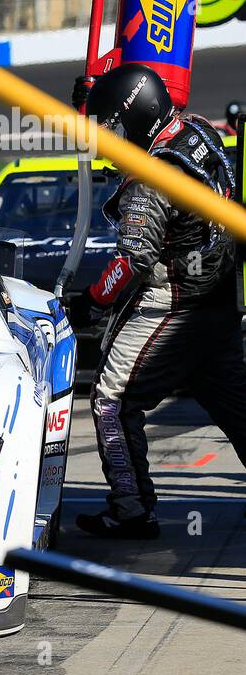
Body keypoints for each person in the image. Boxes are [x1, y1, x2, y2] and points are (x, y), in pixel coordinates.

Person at [70, 63, 246, 538]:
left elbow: (134, 258)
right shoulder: (200, 131)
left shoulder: (150, 181)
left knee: (109, 400)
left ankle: (132, 510)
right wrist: (97, 98)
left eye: (114, 131)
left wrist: (92, 300)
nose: (109, 143)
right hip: (221, 300)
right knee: (234, 403)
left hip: (173, 309)